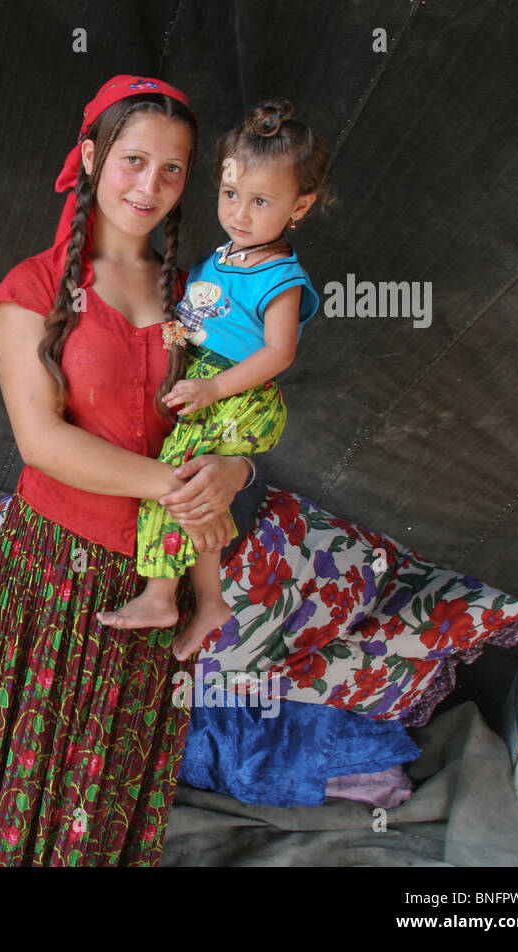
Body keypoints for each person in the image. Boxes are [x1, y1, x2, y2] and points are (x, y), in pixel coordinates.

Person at [0, 76, 254, 866]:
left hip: (158, 573)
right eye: (134, 160)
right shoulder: (35, 288)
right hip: (54, 573)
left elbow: (224, 407)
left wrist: (232, 468)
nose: (150, 186)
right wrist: (178, 487)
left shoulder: (195, 299)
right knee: (22, 768)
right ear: (92, 157)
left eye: (172, 169)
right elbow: (42, 442)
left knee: (103, 782)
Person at [98, 99, 330, 663]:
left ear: (300, 205)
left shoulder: (281, 277)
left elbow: (279, 352)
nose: (240, 214)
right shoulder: (221, 258)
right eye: (230, 194)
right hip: (208, 388)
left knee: (178, 484)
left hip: (238, 396)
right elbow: (199, 320)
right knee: (202, 490)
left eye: (261, 201)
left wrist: (212, 390)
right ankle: (210, 602)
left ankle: (160, 597)